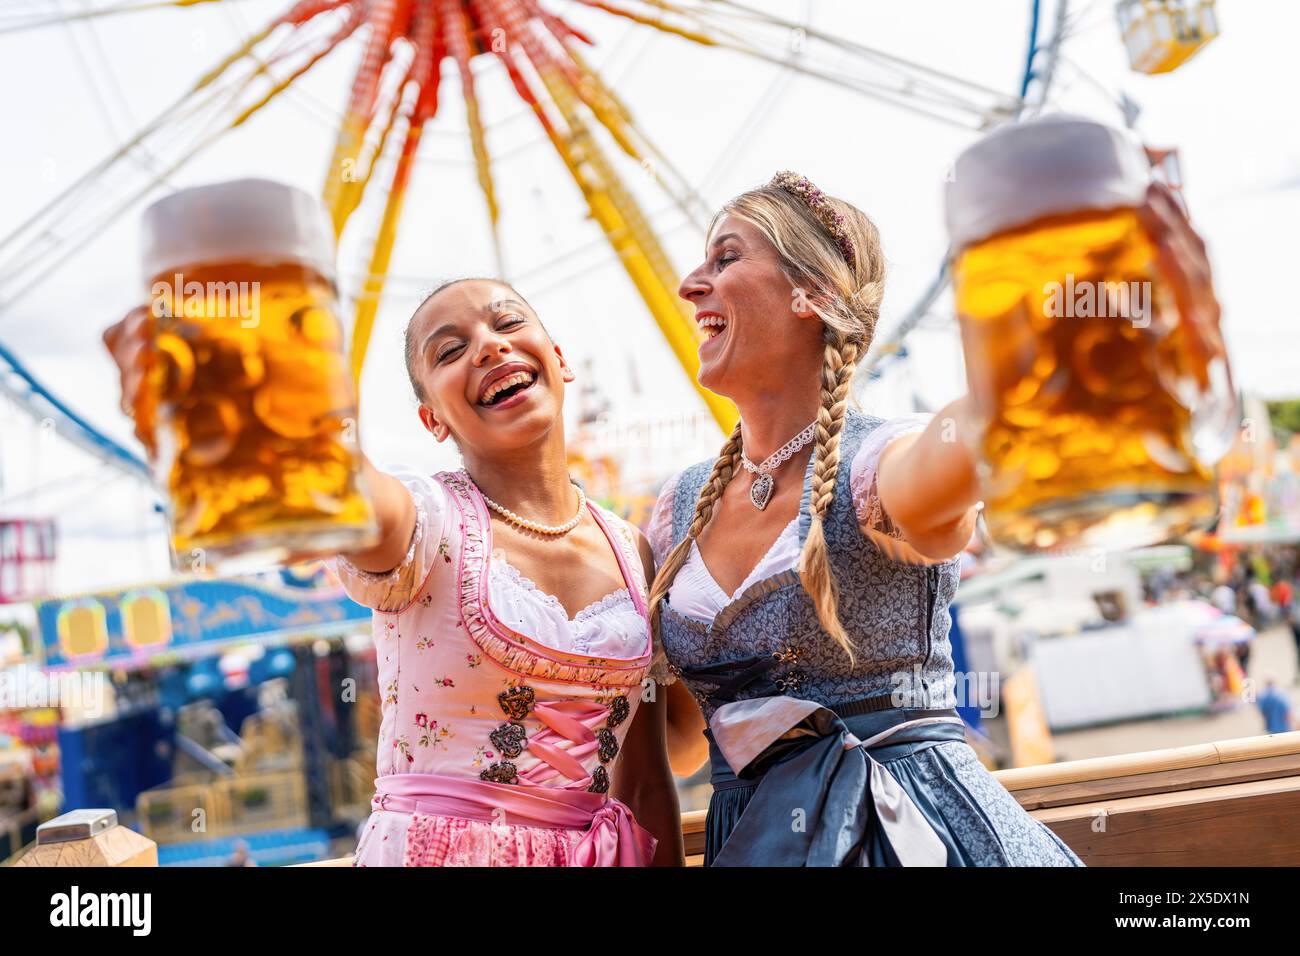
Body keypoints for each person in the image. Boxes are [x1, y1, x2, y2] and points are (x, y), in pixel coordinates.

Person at [648, 170, 1220, 866]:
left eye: (726, 257)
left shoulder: (876, 463)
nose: (689, 284)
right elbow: (677, 743)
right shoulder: (674, 509)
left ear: (815, 295)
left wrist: (1074, 342)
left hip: (916, 835)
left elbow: (953, 450)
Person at [105, 277, 701, 866]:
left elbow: (645, 782)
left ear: (560, 360)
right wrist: (240, 394)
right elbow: (340, 492)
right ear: (432, 420)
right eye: (450, 350)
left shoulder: (633, 552)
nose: (489, 347)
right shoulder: (427, 520)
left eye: (508, 323)